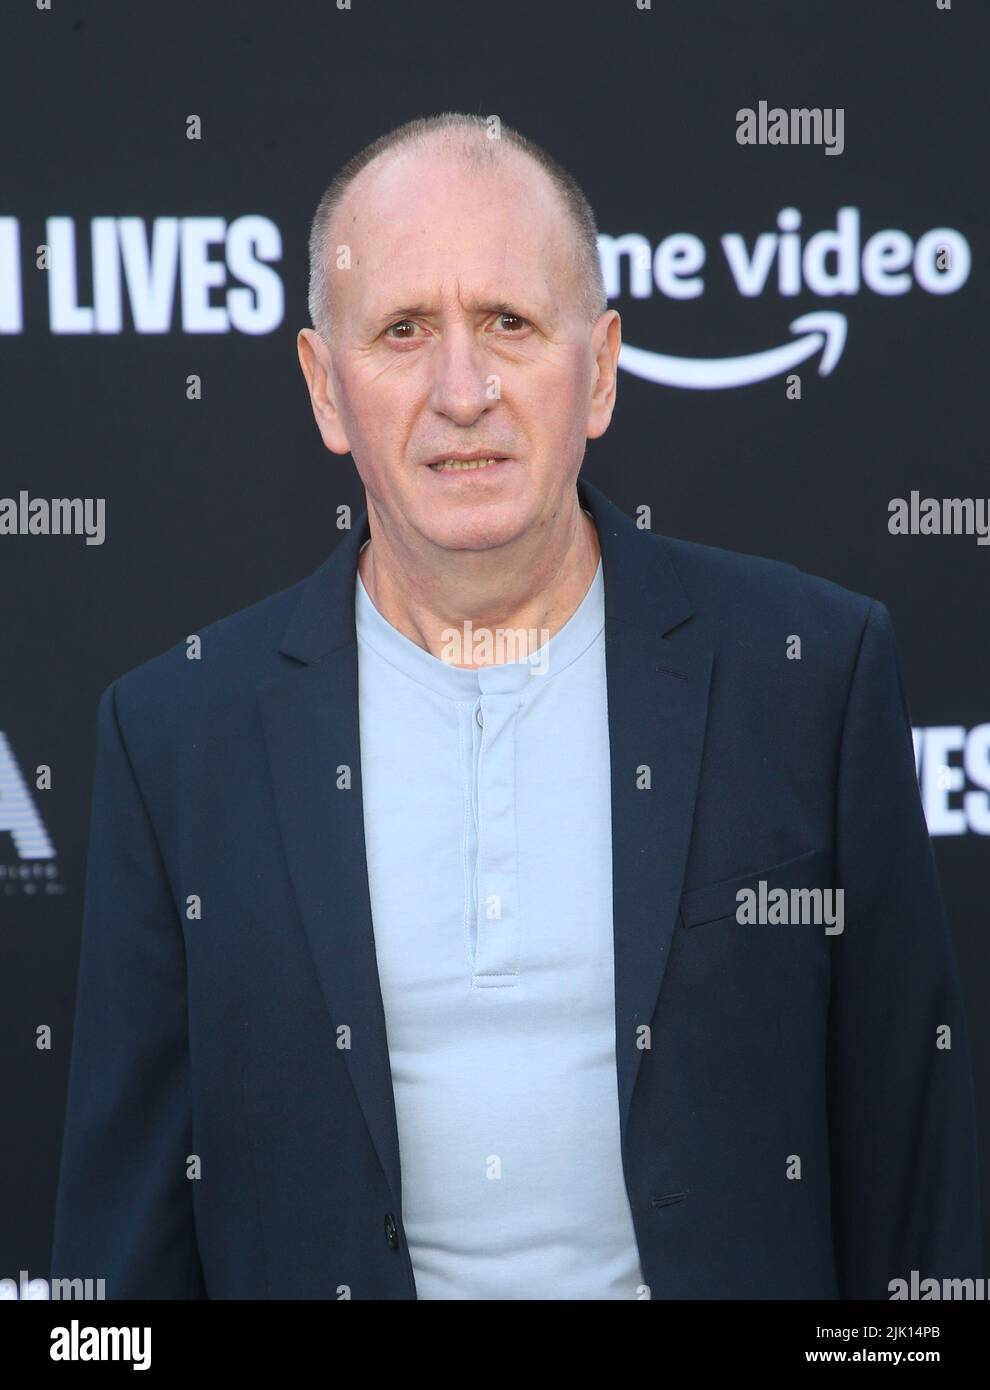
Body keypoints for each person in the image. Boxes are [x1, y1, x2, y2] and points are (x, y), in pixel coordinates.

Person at [51, 112, 982, 1299]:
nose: (463, 389)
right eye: (402, 331)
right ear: (325, 388)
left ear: (597, 370)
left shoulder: (809, 673)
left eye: (508, 322)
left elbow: (918, 1187)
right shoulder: (176, 734)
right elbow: (120, 1253)